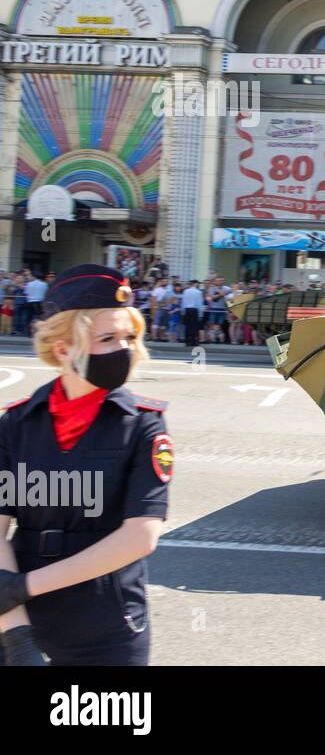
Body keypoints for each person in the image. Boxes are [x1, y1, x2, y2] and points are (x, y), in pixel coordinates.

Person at [0, 264, 170, 665]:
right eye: (108, 338)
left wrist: (25, 585)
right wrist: (16, 632)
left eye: (130, 337)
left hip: (107, 628)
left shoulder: (144, 425)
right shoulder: (17, 423)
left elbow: (139, 538)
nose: (125, 350)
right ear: (64, 349)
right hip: (21, 622)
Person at [22, 273, 48, 337]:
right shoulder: (44, 284)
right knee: (39, 318)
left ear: (34, 277)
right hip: (39, 302)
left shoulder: (29, 284)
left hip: (30, 302)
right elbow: (46, 293)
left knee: (29, 318)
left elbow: (26, 293)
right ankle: (38, 332)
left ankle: (28, 333)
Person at [180, 279, 203, 347]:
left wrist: (183, 312)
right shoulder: (198, 292)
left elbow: (183, 302)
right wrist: (200, 314)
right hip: (194, 310)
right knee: (194, 326)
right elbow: (199, 303)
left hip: (187, 309)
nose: (198, 285)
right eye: (198, 284)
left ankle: (187, 341)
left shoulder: (186, 291)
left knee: (187, 326)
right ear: (195, 284)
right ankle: (194, 341)